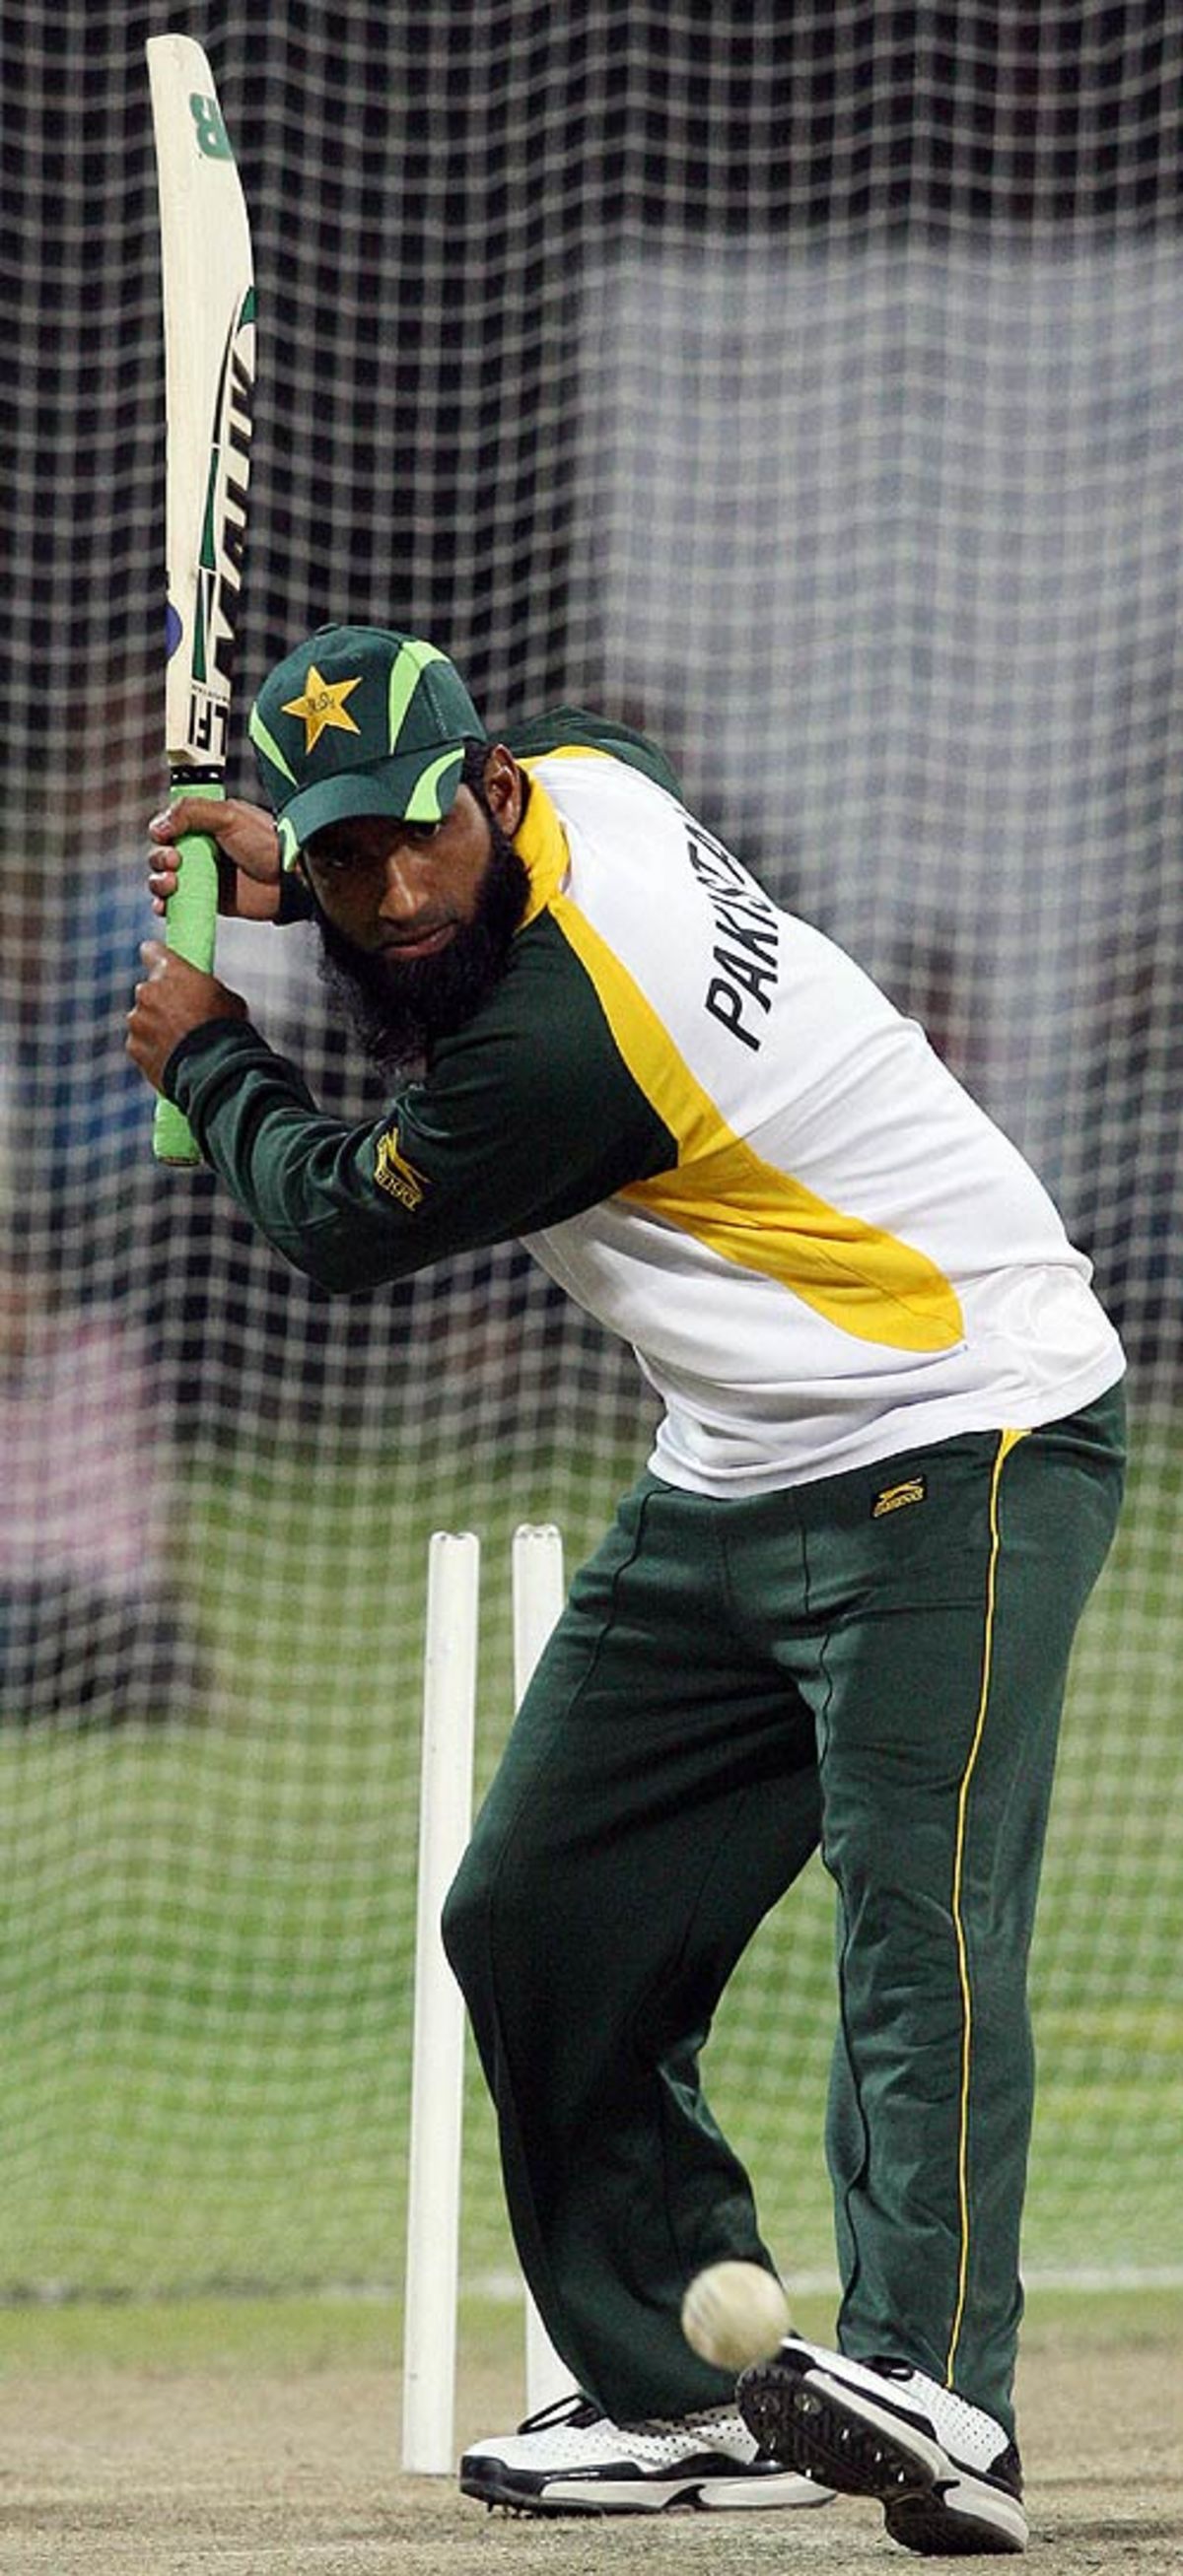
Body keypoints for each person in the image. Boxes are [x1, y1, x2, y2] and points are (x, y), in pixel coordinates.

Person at [128, 623, 1125, 2553]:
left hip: (969, 1427)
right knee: (536, 1911)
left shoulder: (567, 1039)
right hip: (736, 1460)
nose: (392, 892)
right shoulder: (593, 772)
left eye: (419, 840)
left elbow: (338, 1218)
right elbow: (437, 913)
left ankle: (943, 2392)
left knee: (916, 1912)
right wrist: (279, 876)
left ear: (491, 790)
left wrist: (215, 1047)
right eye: (345, 861)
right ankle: (676, 2382)